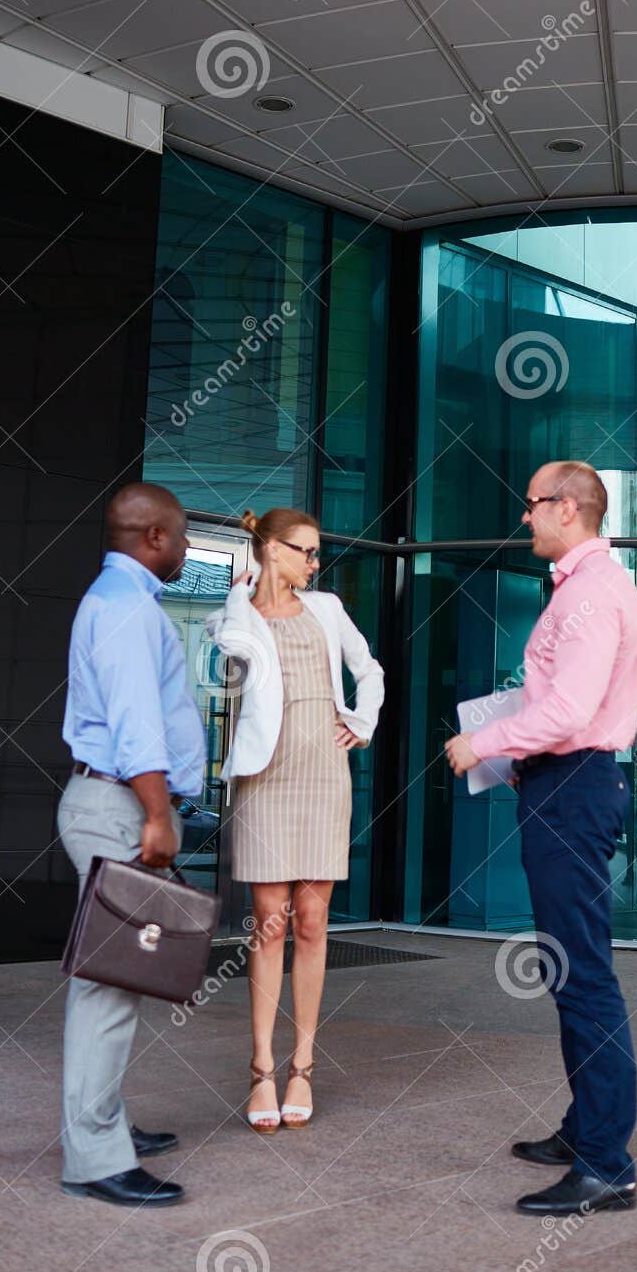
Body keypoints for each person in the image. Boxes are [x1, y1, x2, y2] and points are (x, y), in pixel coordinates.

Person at [445, 461, 637, 1218]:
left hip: (572, 787)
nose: (523, 518)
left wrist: (482, 742)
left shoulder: (592, 595)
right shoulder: (586, 588)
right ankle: (583, 1130)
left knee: (584, 974)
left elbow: (567, 710)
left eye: (531, 506)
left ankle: (605, 1165)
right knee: (568, 970)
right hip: (565, 786)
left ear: (567, 508)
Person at [207, 507, 384, 1133]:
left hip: (323, 777)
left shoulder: (329, 609)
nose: (314, 563)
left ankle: (303, 1065)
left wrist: (360, 724)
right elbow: (229, 648)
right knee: (268, 923)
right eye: (304, 552)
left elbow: (370, 669)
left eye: (316, 552)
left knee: (312, 922)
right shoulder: (240, 612)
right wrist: (245, 588)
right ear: (270, 550)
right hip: (266, 775)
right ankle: (261, 1068)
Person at [58, 483, 205, 1207]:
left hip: (118, 803)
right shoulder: (121, 609)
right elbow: (134, 724)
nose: (184, 550)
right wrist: (157, 814)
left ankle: (103, 1124)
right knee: (107, 985)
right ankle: (94, 1158)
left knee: (120, 978)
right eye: (180, 538)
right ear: (153, 538)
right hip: (117, 804)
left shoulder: (124, 602)